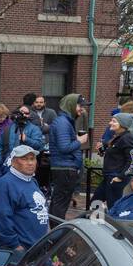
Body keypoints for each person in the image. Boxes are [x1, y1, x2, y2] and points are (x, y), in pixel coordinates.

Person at [0, 146, 50, 252]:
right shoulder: (4, 185)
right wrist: (15, 246)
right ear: (13, 162)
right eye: (24, 159)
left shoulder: (32, 182)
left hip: (36, 249)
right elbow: (1, 219)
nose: (30, 163)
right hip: (18, 251)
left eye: (32, 159)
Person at [47, 93, 88, 221]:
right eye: (80, 105)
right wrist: (80, 141)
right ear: (70, 105)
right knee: (60, 203)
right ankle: (57, 235)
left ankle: (55, 233)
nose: (82, 108)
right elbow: (64, 148)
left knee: (59, 202)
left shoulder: (65, 121)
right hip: (65, 168)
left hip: (65, 167)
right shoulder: (62, 123)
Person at [94, 112, 133, 207]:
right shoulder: (117, 137)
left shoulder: (127, 138)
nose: (110, 123)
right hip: (108, 177)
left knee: (113, 207)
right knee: (95, 202)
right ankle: (94, 221)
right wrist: (102, 149)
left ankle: (114, 222)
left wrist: (120, 177)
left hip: (115, 178)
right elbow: (115, 154)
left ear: (122, 124)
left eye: (114, 121)